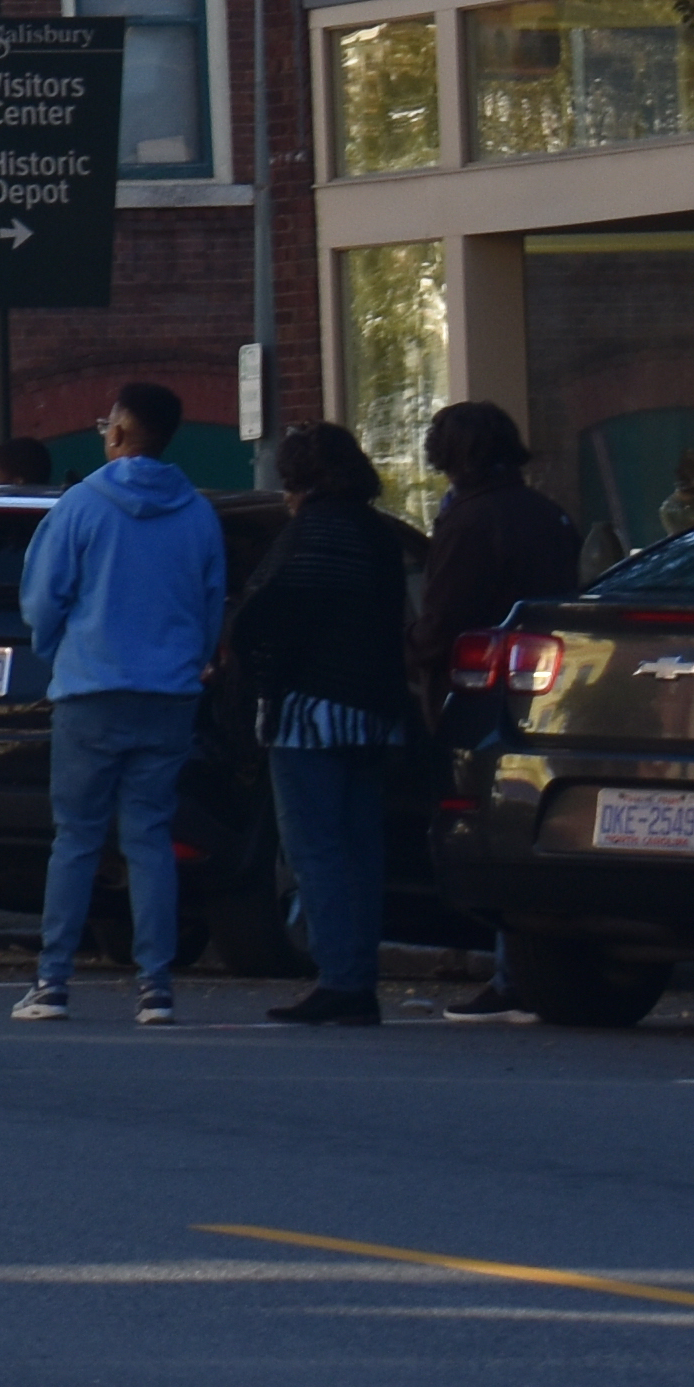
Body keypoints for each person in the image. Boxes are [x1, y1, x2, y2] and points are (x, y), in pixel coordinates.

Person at [16, 377, 230, 1022]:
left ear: (117, 432)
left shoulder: (80, 506)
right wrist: (191, 660)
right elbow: (210, 603)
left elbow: (41, 598)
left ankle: (53, 981)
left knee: (77, 838)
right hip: (168, 694)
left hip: (91, 688)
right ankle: (155, 986)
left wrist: (58, 647)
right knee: (149, 839)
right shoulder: (197, 511)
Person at [234, 422, 416, 1027]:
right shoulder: (376, 534)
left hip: (306, 714)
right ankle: (357, 973)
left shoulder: (306, 535)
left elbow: (265, 619)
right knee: (361, 847)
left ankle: (339, 977)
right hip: (372, 709)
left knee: (315, 849)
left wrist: (253, 680)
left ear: (298, 480)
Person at [412, 399, 579, 1022]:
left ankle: (512, 975)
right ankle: (526, 971)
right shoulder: (549, 515)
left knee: (491, 825)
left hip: (482, 691)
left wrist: (414, 650)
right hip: (545, 682)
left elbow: (446, 614)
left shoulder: (470, 523)